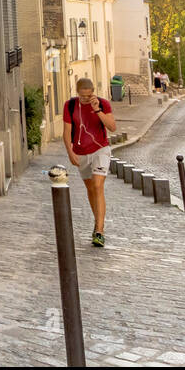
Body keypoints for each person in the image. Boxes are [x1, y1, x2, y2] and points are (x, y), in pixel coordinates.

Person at [63, 77, 117, 248]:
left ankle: (100, 231)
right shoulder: (70, 105)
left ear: (93, 91)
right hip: (81, 153)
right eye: (83, 96)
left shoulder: (103, 104)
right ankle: (97, 222)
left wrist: (97, 110)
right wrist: (70, 152)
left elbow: (112, 127)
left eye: (89, 95)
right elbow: (66, 132)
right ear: (77, 92)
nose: (86, 98)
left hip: (100, 149)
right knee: (91, 189)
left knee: (98, 185)